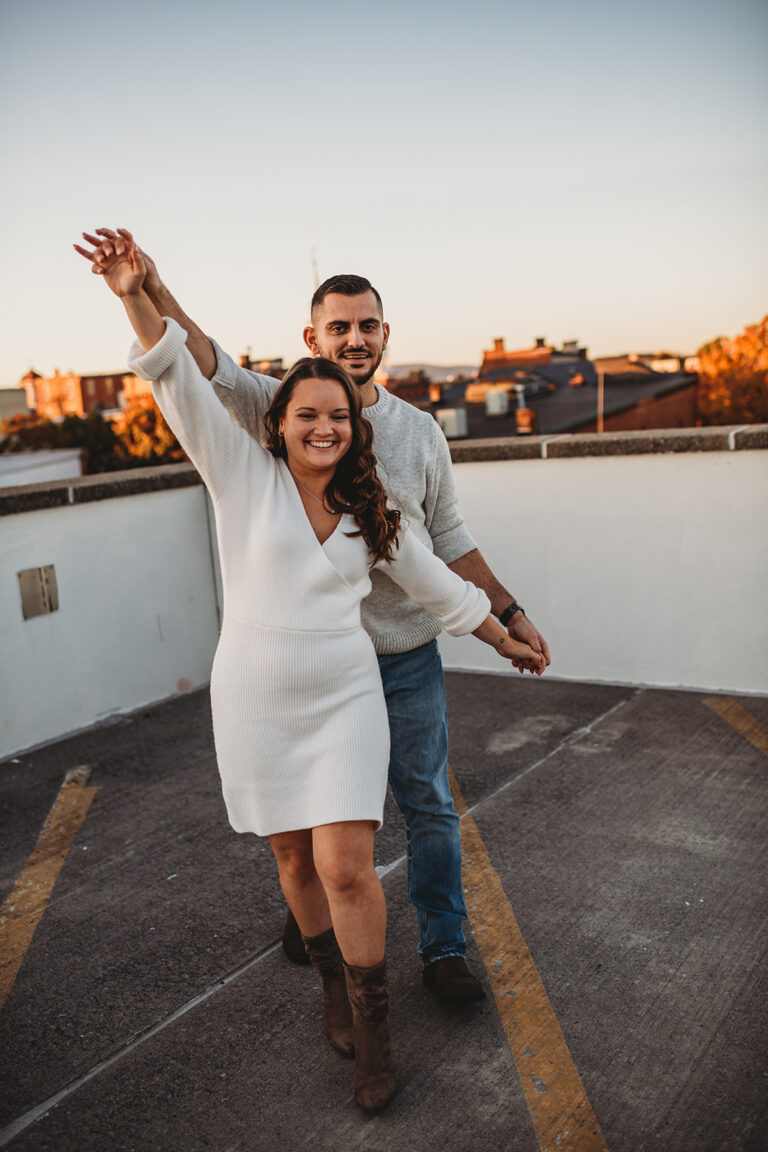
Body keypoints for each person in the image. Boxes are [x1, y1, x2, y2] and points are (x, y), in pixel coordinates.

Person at [81, 235, 545, 1112]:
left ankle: (377, 1028)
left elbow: (442, 583)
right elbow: (177, 371)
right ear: (281, 419)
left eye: (338, 416)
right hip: (256, 698)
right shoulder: (239, 473)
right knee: (292, 858)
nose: (324, 425)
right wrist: (133, 291)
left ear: (356, 419)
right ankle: (331, 984)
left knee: (347, 867)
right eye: (308, 415)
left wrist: (503, 631)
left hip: (349, 692)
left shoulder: (378, 508)